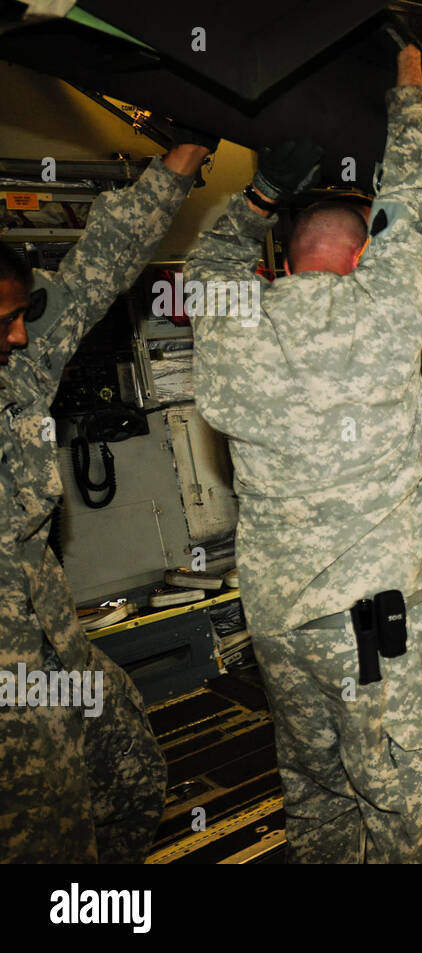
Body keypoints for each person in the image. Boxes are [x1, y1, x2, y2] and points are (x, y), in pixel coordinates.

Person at [187, 43, 422, 863]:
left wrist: (256, 198)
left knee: (316, 796)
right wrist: (411, 90)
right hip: (371, 627)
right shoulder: (383, 311)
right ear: (359, 257)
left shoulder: (235, 321)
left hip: (279, 626)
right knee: (412, 807)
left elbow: (208, 261)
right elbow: (417, 202)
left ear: (280, 257)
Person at [1, 141, 210, 861]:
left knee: (130, 778)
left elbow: (98, 269)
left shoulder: (16, 371)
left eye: (21, 315)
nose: (21, 335)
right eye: (4, 322)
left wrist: (180, 162)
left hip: (56, 652)